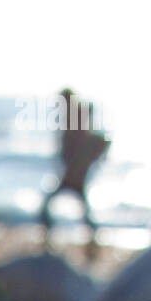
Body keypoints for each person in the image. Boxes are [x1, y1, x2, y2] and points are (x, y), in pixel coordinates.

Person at [39, 88, 110, 243]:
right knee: (81, 210)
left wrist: (79, 165)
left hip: (73, 176)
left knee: (49, 208)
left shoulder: (76, 117)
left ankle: (91, 238)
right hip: (71, 174)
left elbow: (92, 141)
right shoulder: (71, 117)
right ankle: (92, 238)